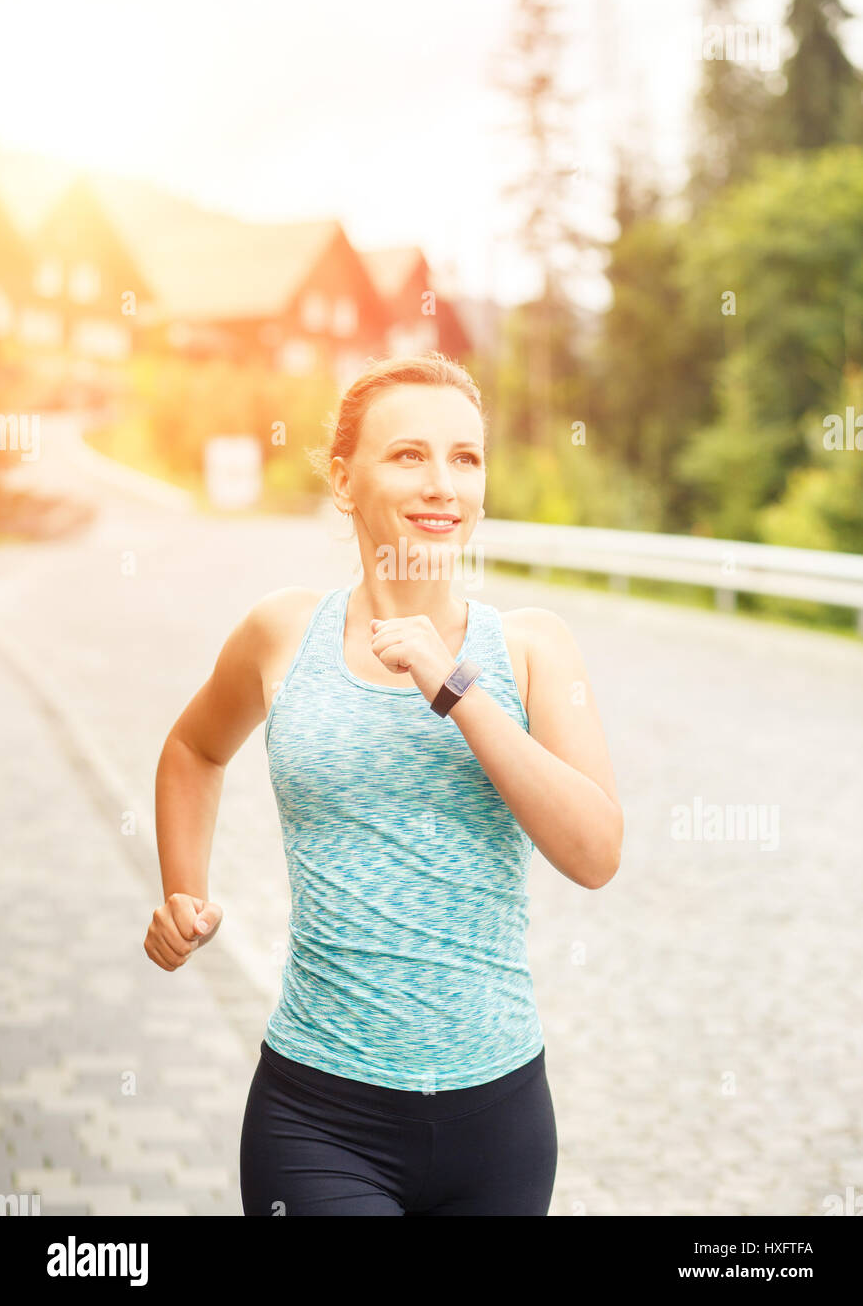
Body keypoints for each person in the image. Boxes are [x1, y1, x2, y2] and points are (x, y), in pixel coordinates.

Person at [145, 351, 624, 1216]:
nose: (443, 483)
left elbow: (594, 854)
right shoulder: (281, 634)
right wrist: (184, 889)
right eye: (409, 455)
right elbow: (192, 750)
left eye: (466, 458)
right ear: (343, 478)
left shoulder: (530, 647)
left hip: (501, 1115)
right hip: (320, 1115)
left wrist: (456, 689)